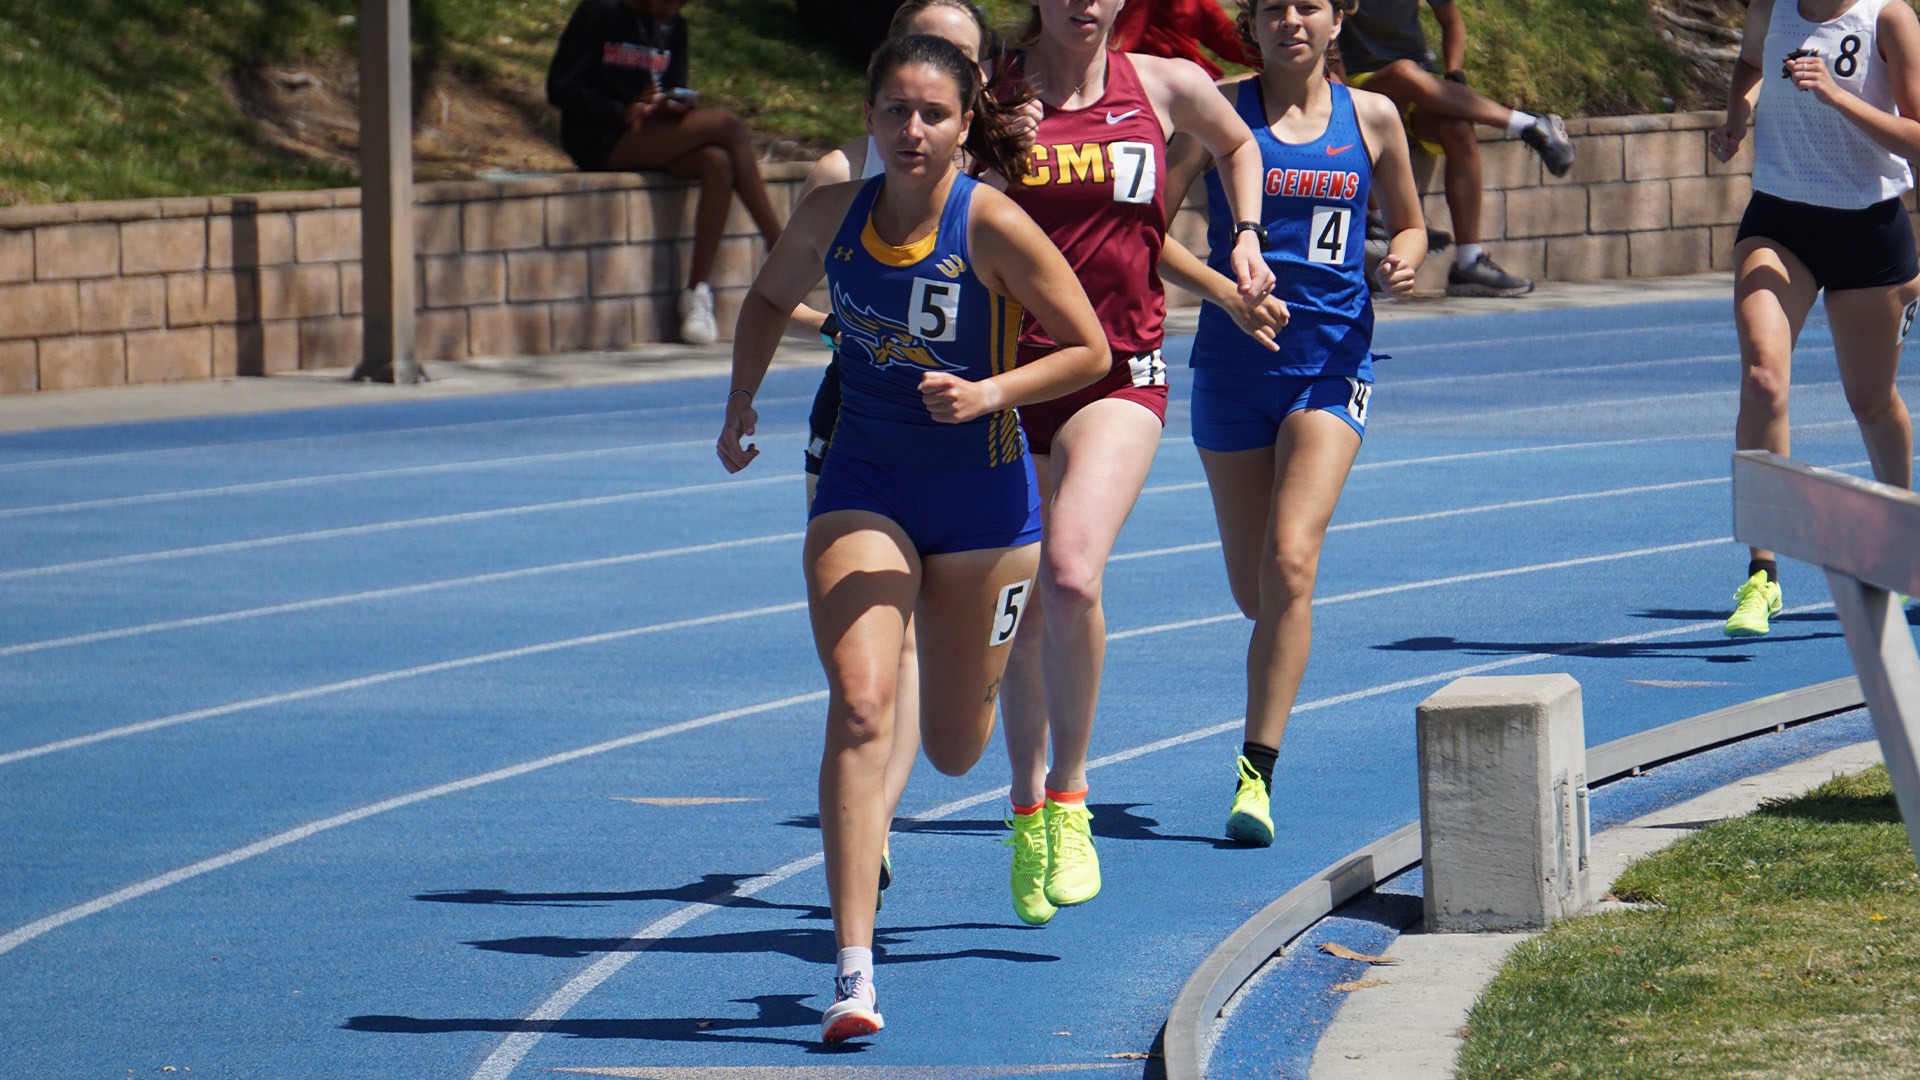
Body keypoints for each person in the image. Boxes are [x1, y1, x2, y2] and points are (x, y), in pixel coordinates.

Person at [716, 34, 1109, 1043]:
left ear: (965, 121)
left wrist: (991, 390)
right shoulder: (833, 216)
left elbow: (1089, 350)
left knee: (950, 747)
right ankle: (853, 974)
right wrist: (740, 408)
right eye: (895, 111)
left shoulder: (994, 225)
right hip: (866, 484)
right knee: (857, 704)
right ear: (873, 118)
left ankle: (999, 755)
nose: (913, 130)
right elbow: (765, 298)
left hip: (983, 510)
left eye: (933, 113)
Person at [985, 0, 1277, 927]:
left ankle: (1071, 801)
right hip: (1011, 375)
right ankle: (1027, 807)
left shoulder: (1162, 84)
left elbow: (1239, 146)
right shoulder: (993, 92)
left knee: (1071, 574)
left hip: (1121, 371)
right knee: (1020, 614)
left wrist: (1243, 241)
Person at [1159, 0, 1424, 845]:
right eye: (1272, 7)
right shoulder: (1216, 110)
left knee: (1290, 563)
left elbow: (1412, 221)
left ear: (1339, 18)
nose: (1290, 21)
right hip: (1234, 372)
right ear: (1253, 21)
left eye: (1307, 5)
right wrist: (1223, 293)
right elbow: (1145, 230)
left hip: (1332, 366)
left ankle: (1255, 775)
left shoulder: (1373, 116)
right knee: (1256, 591)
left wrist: (1405, 256)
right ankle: (1281, 631)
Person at [786, 0, 998, 917]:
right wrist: (865, 329)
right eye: (903, 85)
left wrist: (994, 393)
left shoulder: (995, 188)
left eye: (950, 67)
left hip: (972, 456)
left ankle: (1003, 789)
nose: (917, 111)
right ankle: (866, 839)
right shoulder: (842, 178)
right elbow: (778, 293)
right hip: (859, 433)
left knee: (955, 725)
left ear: (974, 88)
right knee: (872, 668)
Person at [1710, 0, 1920, 636]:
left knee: (1872, 401)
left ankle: (1905, 544)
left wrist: (1836, 95)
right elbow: (1750, 64)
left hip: (1869, 225)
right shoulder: (1769, 10)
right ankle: (1763, 574)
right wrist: (1735, 120)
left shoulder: (1889, 19)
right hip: (1780, 221)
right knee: (1763, 378)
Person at [547, 0, 785, 345]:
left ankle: (696, 295)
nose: (676, 8)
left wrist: (670, 105)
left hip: (650, 133)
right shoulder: (600, 12)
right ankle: (781, 248)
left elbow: (674, 87)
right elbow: (560, 86)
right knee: (729, 125)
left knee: (716, 162)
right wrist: (619, 110)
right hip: (602, 136)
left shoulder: (675, 26)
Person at [1337, 0, 1574, 297]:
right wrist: (1344, 105)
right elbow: (1329, 50)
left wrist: (1454, 74)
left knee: (1458, 129)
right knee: (1404, 72)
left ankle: (1469, 262)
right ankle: (1529, 125)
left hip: (1421, 86)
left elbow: (1451, 22)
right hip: (1363, 85)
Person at [1112, 0, 1258, 79]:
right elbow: (1121, 43)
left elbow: (1222, 36)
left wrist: (1270, 53)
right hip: (1131, 81)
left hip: (1189, 81)